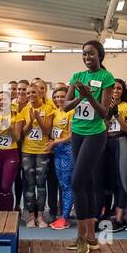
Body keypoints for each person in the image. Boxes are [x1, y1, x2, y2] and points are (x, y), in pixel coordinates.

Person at [63, 40, 115, 253]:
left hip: (95, 134)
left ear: (99, 55)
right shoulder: (77, 77)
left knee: (77, 181)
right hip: (77, 132)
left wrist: (89, 96)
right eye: (84, 54)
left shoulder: (106, 77)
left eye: (91, 54)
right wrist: (79, 98)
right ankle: (87, 237)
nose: (87, 57)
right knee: (83, 183)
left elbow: (104, 112)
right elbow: (65, 105)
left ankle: (87, 236)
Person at [19, 80, 55, 228]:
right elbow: (23, 132)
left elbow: (47, 131)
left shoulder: (48, 109)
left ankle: (41, 216)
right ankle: (31, 216)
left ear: (40, 93)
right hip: (27, 151)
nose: (30, 95)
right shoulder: (24, 110)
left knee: (41, 184)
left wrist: (38, 118)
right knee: (29, 184)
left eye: (33, 92)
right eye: (28, 93)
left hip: (42, 151)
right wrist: (30, 120)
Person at [104, 82, 127, 231]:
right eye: (113, 88)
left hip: (120, 141)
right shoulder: (103, 104)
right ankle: (106, 214)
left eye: (119, 88)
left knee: (121, 180)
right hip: (105, 143)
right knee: (107, 182)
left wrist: (117, 115)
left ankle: (119, 218)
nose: (115, 91)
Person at [0, 90, 23, 211]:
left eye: (4, 99)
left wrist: (9, 128)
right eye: (0, 99)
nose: (2, 102)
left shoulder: (17, 115)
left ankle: (9, 212)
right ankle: (2, 212)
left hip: (11, 153)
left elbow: (17, 137)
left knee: (6, 186)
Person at [47, 85, 74, 230]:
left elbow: (71, 135)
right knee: (62, 184)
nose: (59, 99)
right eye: (56, 97)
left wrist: (57, 142)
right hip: (57, 151)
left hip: (68, 151)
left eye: (62, 96)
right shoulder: (55, 112)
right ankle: (63, 214)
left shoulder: (72, 112)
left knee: (67, 184)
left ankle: (65, 217)